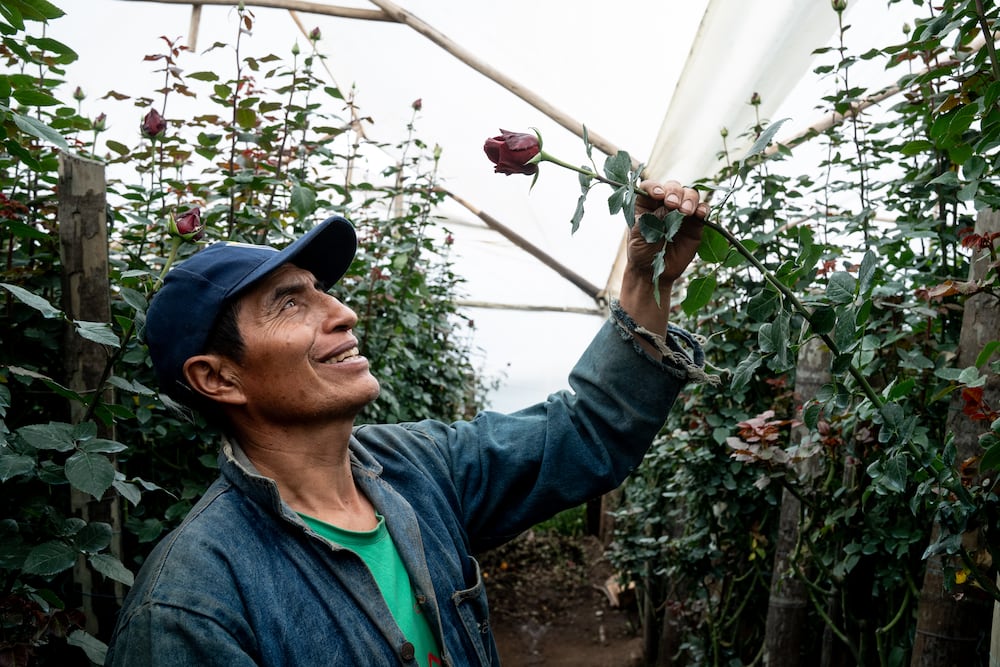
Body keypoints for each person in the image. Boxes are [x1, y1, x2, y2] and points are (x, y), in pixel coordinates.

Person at [105, 180, 711, 666]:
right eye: (290, 302)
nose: (342, 311)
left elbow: (584, 435)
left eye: (323, 291)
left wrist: (644, 280)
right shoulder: (191, 605)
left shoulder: (419, 467)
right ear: (219, 378)